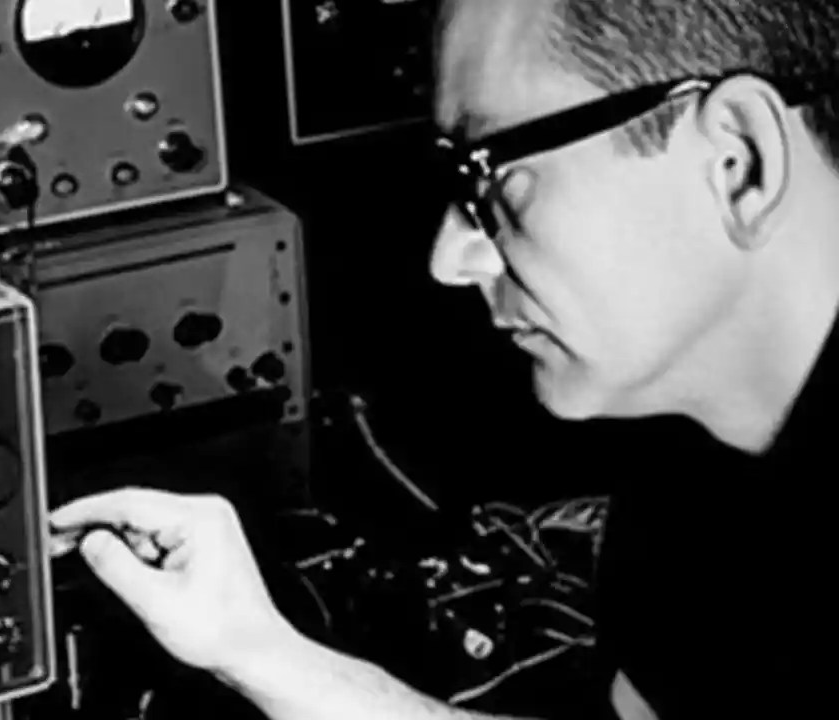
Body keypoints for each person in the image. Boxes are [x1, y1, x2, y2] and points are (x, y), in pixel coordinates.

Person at [50, 0, 839, 717]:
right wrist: (256, 649)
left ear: (740, 161)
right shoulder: (691, 473)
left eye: (487, 175)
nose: (451, 257)